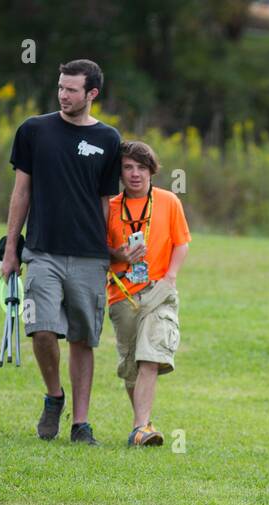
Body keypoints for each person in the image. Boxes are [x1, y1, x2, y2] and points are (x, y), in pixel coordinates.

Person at [0, 59, 123, 445]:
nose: (63, 95)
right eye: (60, 88)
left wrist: (111, 250)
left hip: (89, 254)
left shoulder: (109, 139)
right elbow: (21, 191)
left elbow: (107, 202)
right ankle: (54, 395)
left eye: (72, 90)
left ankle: (80, 423)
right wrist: (11, 247)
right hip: (42, 251)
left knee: (84, 338)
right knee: (42, 328)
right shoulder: (35, 131)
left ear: (92, 94)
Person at [105, 141, 191, 447]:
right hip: (122, 293)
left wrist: (170, 277)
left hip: (159, 290)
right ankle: (141, 425)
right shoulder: (111, 206)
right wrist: (121, 254)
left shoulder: (168, 201)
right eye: (128, 167)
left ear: (151, 171)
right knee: (131, 365)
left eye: (141, 167)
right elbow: (99, 249)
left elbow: (182, 242)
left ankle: (141, 427)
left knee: (150, 357)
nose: (135, 174)